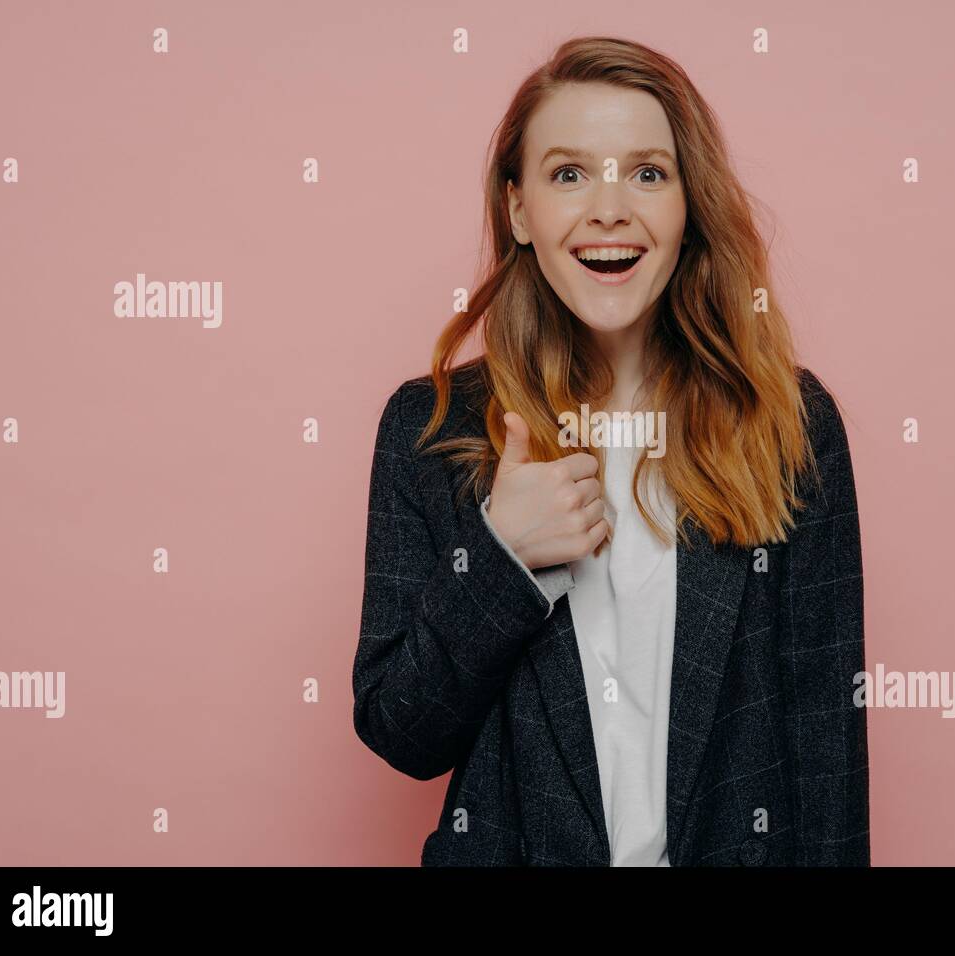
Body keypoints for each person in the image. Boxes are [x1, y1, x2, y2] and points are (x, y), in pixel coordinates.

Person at [352, 35, 869, 866]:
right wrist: (501, 558)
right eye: (568, 174)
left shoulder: (792, 424)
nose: (608, 208)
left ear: (687, 205)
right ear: (519, 210)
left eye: (647, 172)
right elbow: (400, 731)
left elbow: (826, 744)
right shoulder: (431, 429)